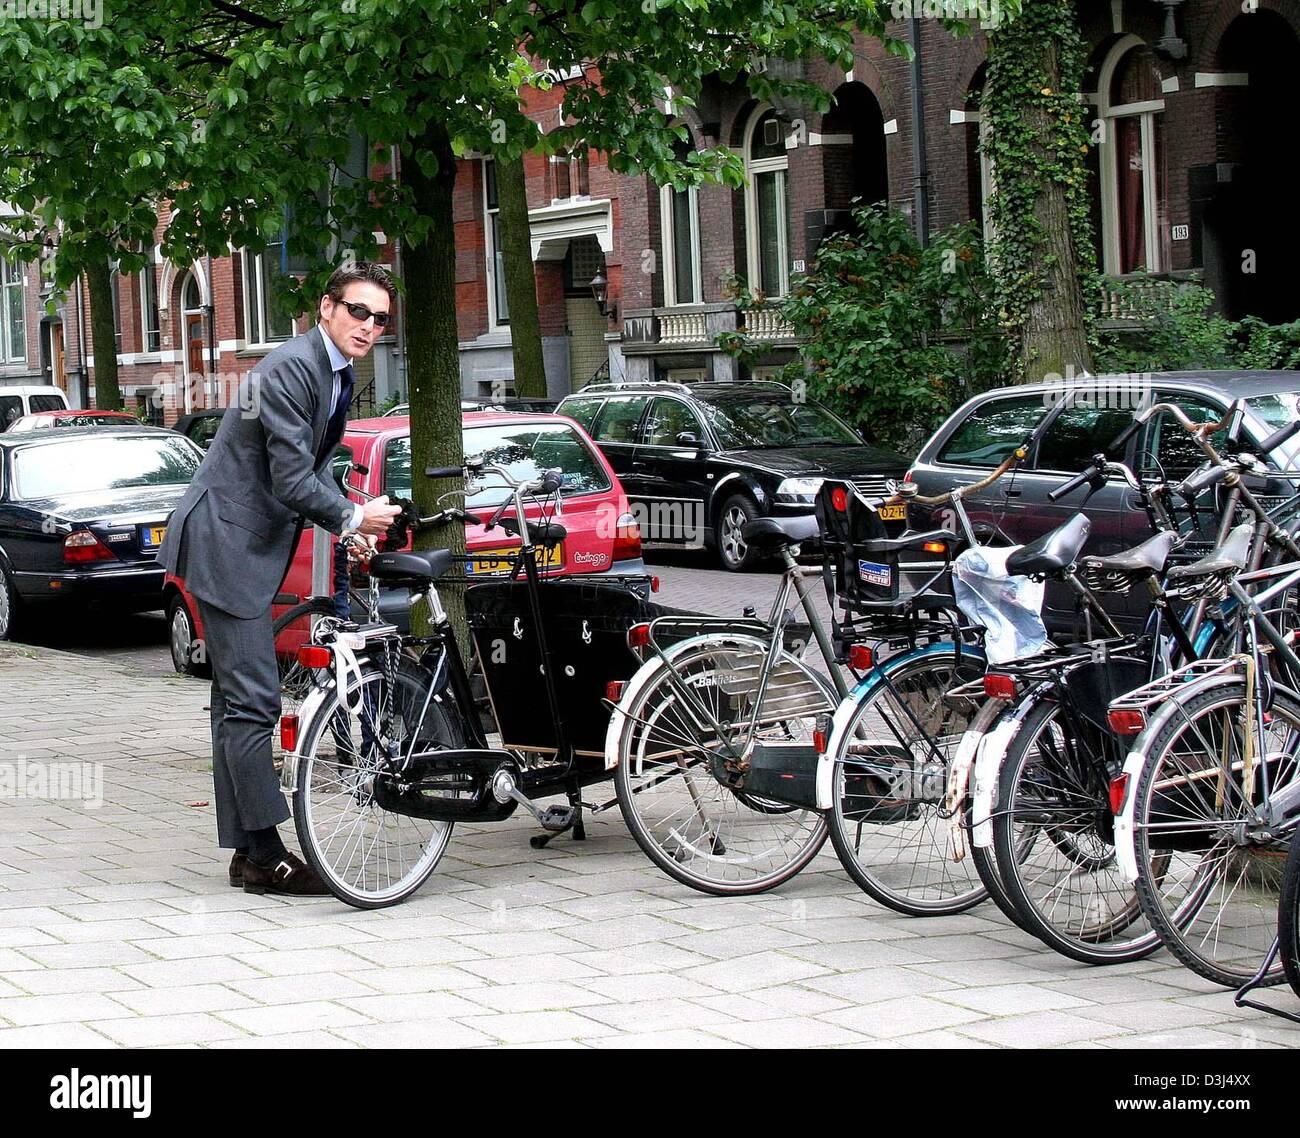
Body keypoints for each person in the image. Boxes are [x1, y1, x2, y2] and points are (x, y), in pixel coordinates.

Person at [159, 262, 402, 895]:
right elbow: (292, 480)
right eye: (358, 311)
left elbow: (310, 471)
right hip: (224, 545)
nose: (369, 327)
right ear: (327, 308)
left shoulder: (332, 372)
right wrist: (352, 515)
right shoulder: (289, 369)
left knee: (233, 707)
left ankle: (247, 854)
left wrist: (355, 525)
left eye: (379, 319)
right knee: (255, 702)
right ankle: (265, 855)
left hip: (237, 544)